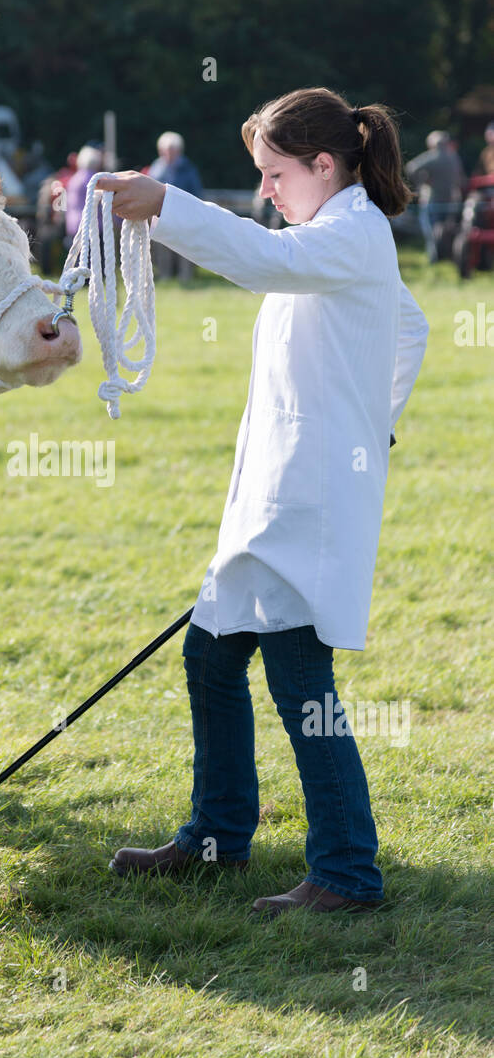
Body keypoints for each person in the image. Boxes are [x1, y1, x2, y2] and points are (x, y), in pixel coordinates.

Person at [95, 87, 429, 919]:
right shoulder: (334, 237)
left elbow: (260, 260)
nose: (266, 193)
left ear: (324, 166)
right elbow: (410, 326)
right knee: (210, 659)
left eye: (275, 175)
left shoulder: (351, 235)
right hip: (277, 494)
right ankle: (215, 839)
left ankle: (347, 874)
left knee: (298, 679)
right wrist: (374, 427)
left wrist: (166, 205)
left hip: (308, 502)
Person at [148, 131, 203, 283]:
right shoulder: (156, 167)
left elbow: (196, 192)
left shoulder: (188, 168)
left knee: (184, 246)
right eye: (165, 150)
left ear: (179, 151)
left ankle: (185, 276)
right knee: (162, 245)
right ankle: (165, 275)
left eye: (172, 150)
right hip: (161, 215)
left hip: (184, 214)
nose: (168, 154)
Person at [405, 130, 465, 263]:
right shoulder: (453, 157)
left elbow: (410, 168)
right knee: (448, 231)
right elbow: (460, 179)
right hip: (450, 201)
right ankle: (449, 258)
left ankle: (434, 259)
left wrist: (421, 181)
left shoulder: (431, 157)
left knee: (431, 231)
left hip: (432, 200)